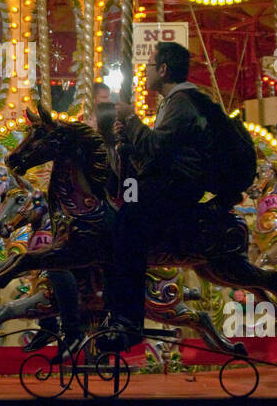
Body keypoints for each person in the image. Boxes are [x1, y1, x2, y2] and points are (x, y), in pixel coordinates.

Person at [106, 41, 257, 347]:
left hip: (177, 189)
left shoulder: (182, 103)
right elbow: (153, 154)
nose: (145, 72)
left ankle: (129, 322)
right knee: (115, 207)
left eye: (149, 66)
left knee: (126, 221)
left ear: (163, 69)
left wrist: (132, 120)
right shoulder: (175, 103)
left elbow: (156, 150)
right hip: (169, 184)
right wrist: (128, 140)